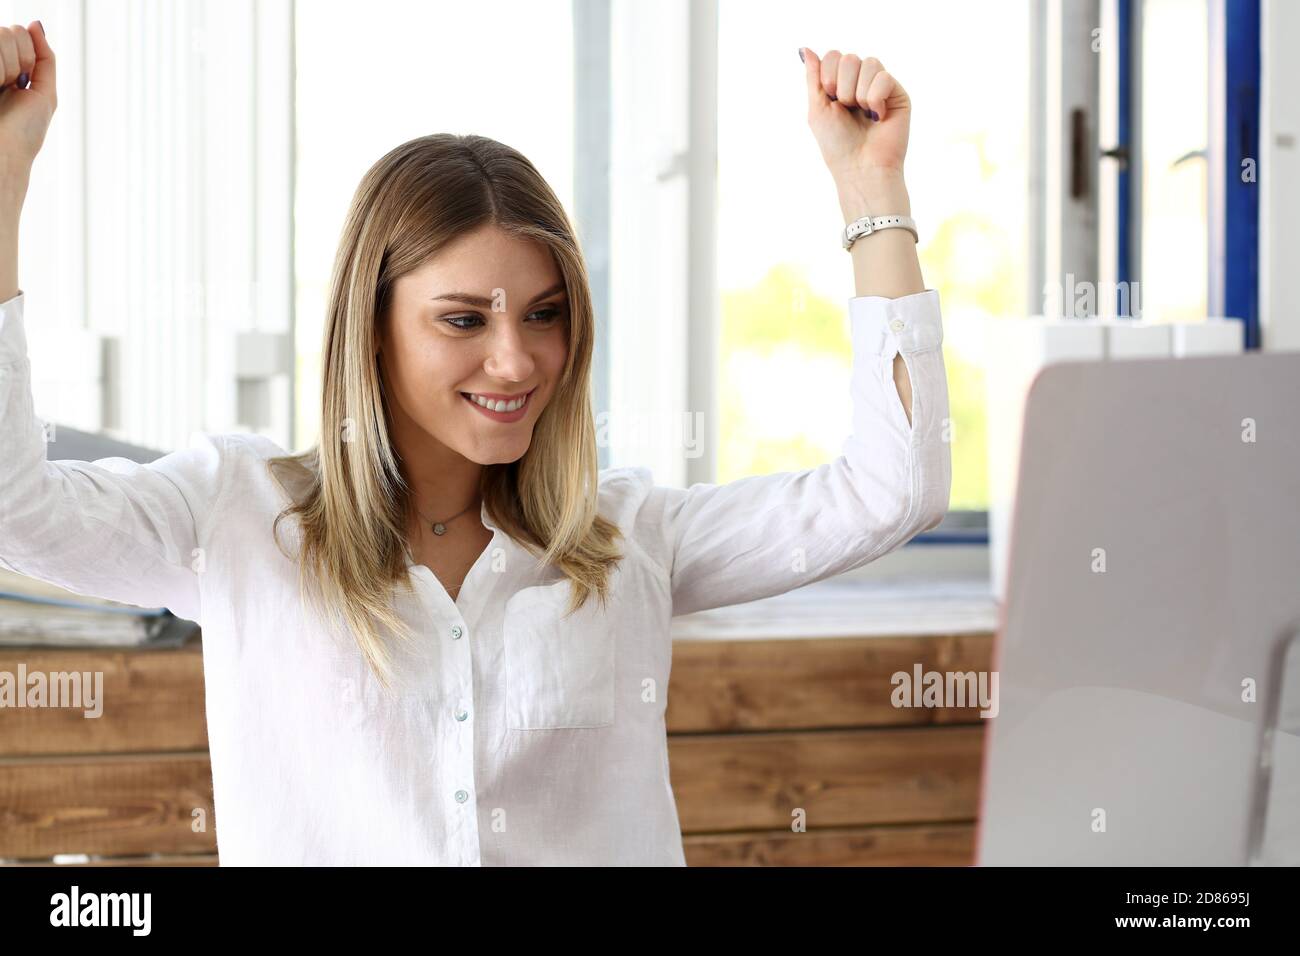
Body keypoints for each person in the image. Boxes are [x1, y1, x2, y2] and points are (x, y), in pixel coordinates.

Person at [0, 25, 951, 865]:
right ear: (371, 328)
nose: (516, 360)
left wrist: (871, 190)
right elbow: (17, 511)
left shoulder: (626, 538)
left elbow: (892, 489)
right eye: (462, 320)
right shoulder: (235, 514)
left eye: (545, 314)